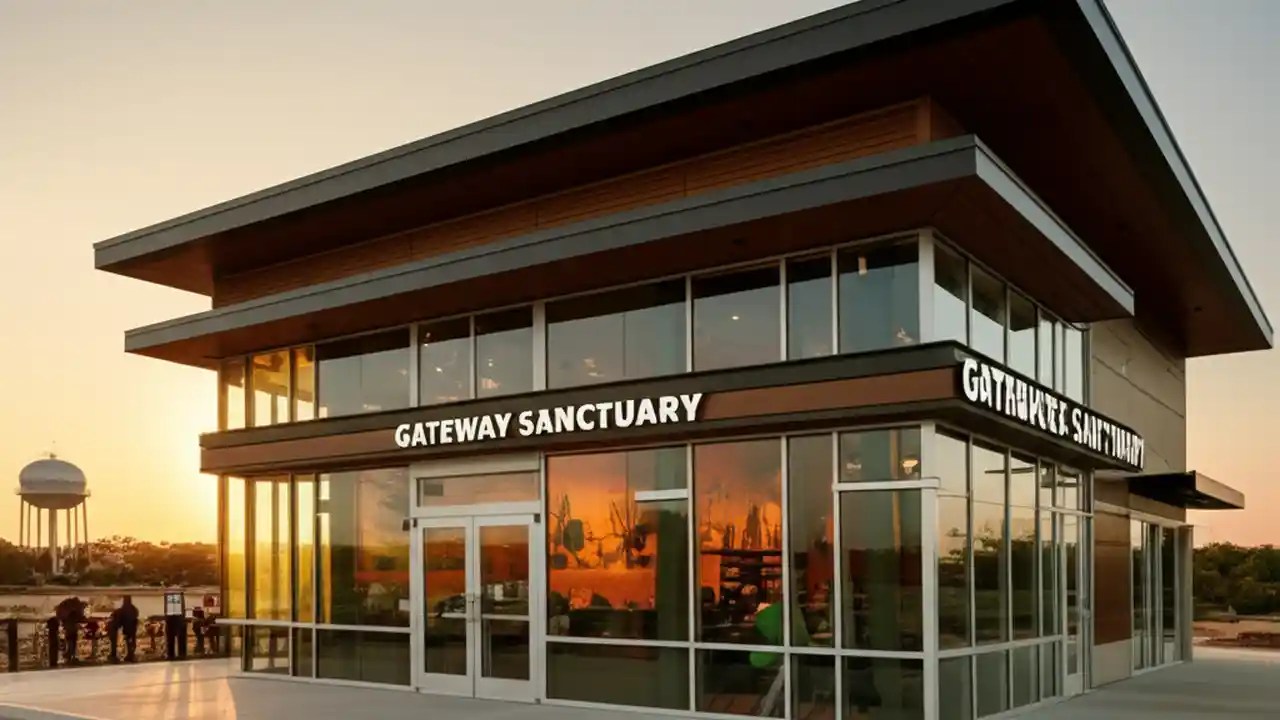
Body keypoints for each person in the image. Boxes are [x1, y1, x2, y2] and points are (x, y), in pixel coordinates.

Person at [54, 596, 87, 665]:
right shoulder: (76, 608)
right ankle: (71, 655)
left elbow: (61, 617)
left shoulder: (68, 607)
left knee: (70, 641)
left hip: (68, 627)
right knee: (72, 641)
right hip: (71, 628)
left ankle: (70, 655)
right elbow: (80, 617)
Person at [109, 596, 140, 663]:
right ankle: (131, 655)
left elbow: (118, 620)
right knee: (131, 642)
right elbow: (136, 616)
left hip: (126, 628)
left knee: (128, 641)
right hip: (131, 629)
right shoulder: (133, 608)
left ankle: (117, 655)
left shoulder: (122, 609)